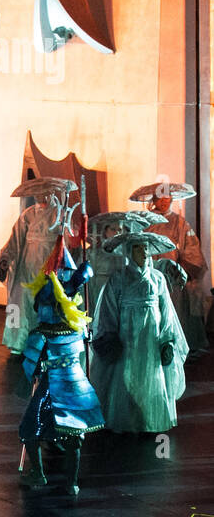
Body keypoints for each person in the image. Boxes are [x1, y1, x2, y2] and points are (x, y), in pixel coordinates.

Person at [17, 238, 103, 495]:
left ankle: (40, 473)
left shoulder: (47, 333)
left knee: (30, 428)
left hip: (53, 383)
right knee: (73, 432)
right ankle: (70, 481)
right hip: (75, 381)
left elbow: (29, 365)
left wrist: (34, 367)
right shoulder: (78, 330)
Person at [90, 231, 187, 435]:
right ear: (128, 251)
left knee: (151, 374)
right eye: (137, 248)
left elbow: (166, 310)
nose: (143, 252)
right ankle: (128, 419)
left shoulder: (157, 278)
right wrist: (110, 336)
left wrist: (167, 340)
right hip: (128, 336)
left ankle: (149, 418)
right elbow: (108, 309)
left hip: (151, 337)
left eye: (145, 248)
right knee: (126, 374)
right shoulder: (118, 279)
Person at [0, 179, 75, 355]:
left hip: (50, 266)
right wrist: (6, 259)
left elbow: (69, 241)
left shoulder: (60, 214)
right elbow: (15, 240)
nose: (41, 196)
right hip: (27, 266)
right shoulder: (28, 214)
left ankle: (45, 343)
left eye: (45, 192)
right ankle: (18, 342)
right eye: (37, 192)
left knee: (47, 304)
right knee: (21, 303)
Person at [133, 182, 210, 356]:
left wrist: (183, 267)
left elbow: (191, 247)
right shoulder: (145, 220)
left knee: (176, 309)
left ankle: (177, 346)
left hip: (173, 273)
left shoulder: (180, 222)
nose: (165, 202)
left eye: (168, 198)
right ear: (154, 199)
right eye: (161, 198)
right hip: (150, 272)